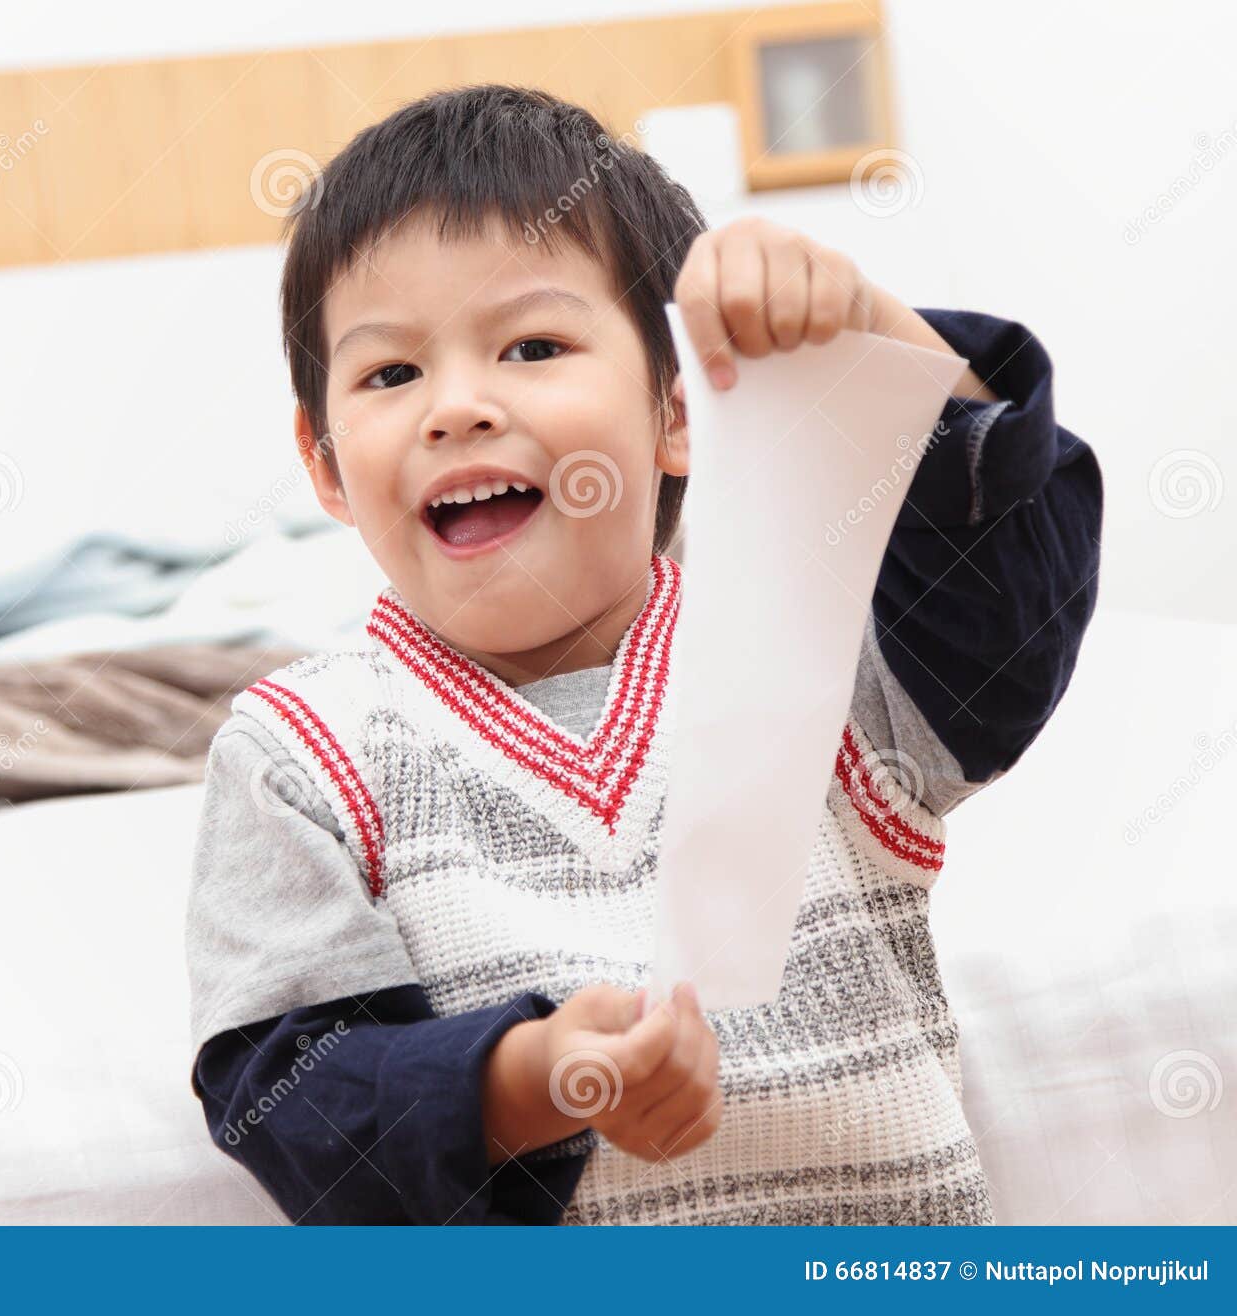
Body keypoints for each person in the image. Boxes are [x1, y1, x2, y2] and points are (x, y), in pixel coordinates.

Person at [184, 84, 1103, 1225]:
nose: (457, 406)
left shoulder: (802, 647)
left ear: (677, 410)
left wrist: (870, 332)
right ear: (323, 464)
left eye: (532, 345)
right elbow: (290, 1095)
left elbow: (1000, 603)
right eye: (390, 374)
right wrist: (528, 1081)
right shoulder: (301, 754)